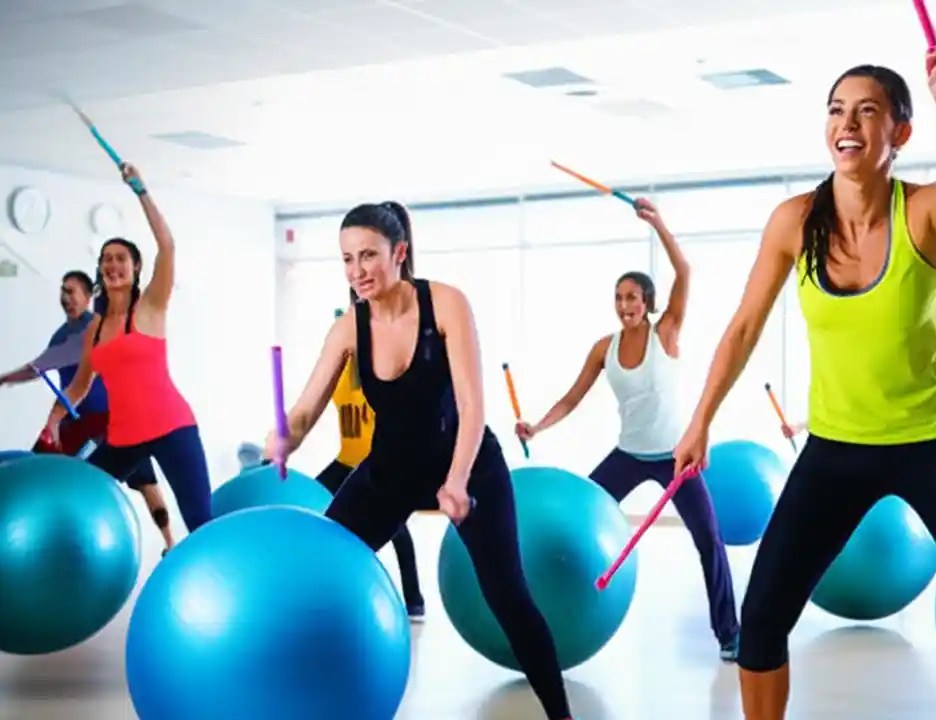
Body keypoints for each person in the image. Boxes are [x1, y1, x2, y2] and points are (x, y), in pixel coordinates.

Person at [669, 47, 936, 720]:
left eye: (867, 111)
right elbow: (743, 327)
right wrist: (700, 421)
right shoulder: (795, 221)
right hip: (836, 449)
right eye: (837, 110)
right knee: (763, 616)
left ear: (901, 132)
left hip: (934, 446)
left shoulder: (920, 212)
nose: (848, 124)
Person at [265, 201, 571, 720]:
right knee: (321, 570)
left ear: (399, 252)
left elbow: (472, 406)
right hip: (392, 469)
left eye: (368, 255)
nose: (357, 271)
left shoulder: (446, 303)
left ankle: (561, 715)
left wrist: (457, 481)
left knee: (508, 596)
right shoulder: (349, 328)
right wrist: (283, 439)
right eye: (347, 259)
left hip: (468, 460)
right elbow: (304, 411)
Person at [514, 198, 740, 661]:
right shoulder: (605, 347)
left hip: (676, 458)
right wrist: (536, 426)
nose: (624, 306)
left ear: (647, 302)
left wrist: (658, 224)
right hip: (628, 455)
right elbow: (572, 398)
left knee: (709, 540)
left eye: (632, 297)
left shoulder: (666, 332)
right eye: (619, 298)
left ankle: (730, 633)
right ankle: (555, 613)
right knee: (577, 518)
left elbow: (685, 271)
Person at [43, 163, 212, 544]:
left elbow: (167, 246)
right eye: (107, 258)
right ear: (100, 270)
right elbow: (79, 386)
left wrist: (141, 191)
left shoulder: (150, 306)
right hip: (124, 438)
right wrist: (53, 420)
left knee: (200, 521)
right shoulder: (95, 328)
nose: (113, 264)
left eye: (121, 258)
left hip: (172, 427)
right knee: (83, 493)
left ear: (136, 268)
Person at [1, 270, 175, 550]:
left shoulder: (95, 329)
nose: (65, 297)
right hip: (76, 421)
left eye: (71, 292)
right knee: (37, 469)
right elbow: (42, 365)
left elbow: (48, 362)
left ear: (87, 296)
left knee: (145, 482)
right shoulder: (62, 335)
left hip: (108, 421)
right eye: (63, 291)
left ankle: (170, 542)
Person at [315, 306, 425, 622]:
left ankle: (414, 599)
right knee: (312, 499)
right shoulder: (340, 383)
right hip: (345, 461)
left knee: (397, 530)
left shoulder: (383, 377)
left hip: (378, 465)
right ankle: (317, 586)